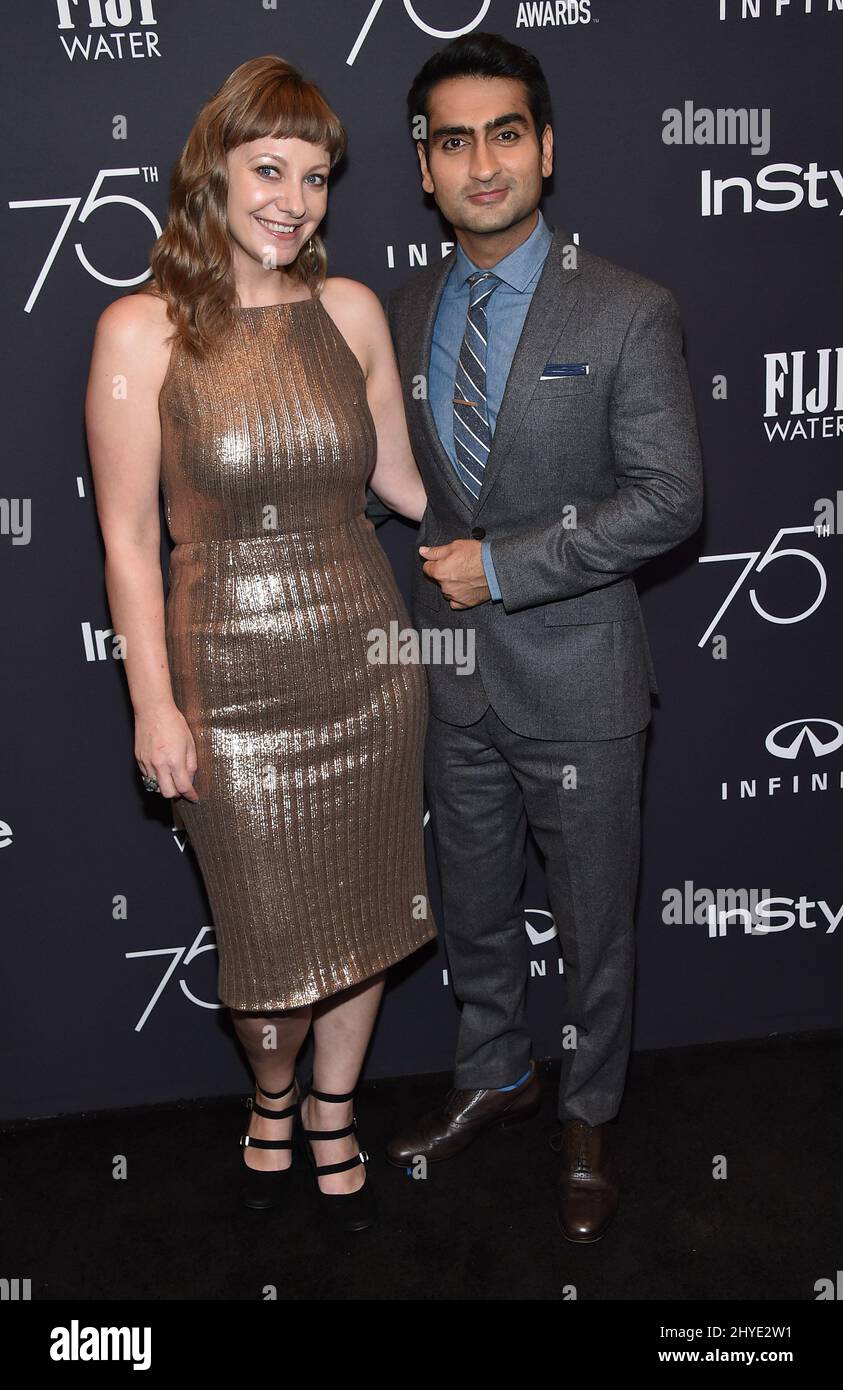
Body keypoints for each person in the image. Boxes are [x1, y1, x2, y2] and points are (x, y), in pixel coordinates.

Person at [84, 54, 437, 1233]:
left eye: (318, 176)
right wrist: (153, 702)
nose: (294, 198)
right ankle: (274, 1084)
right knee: (267, 940)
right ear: (214, 174)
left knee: (372, 915)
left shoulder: (351, 312)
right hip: (224, 683)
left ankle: (332, 1107)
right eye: (269, 169)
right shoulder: (143, 331)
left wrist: (551, 503)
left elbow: (400, 479)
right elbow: (130, 541)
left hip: (367, 668)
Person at [380, 32, 704, 1242]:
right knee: (471, 907)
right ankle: (496, 1073)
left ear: (547, 148)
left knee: (593, 924)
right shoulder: (407, 309)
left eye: (504, 133)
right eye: (453, 140)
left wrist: (507, 568)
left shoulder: (627, 309)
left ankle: (588, 1115)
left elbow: (672, 500)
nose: (481, 162)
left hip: (582, 681)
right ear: (425, 168)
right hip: (453, 683)